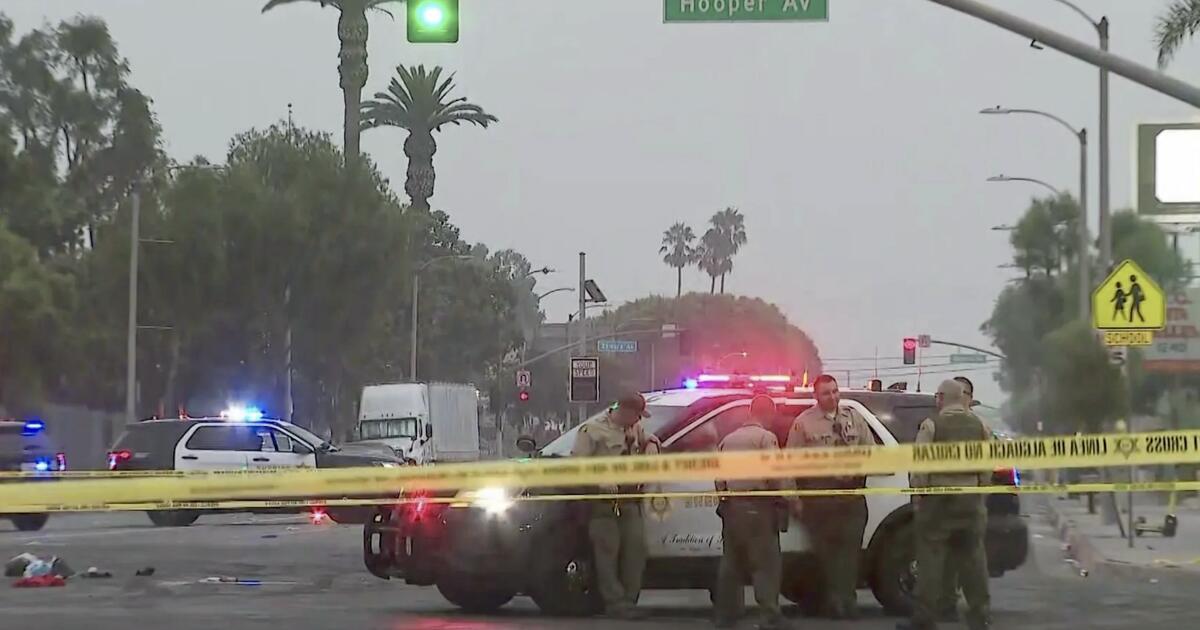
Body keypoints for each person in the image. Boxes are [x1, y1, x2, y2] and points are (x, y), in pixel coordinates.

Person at [899, 379, 992, 630]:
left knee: (930, 561)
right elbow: (987, 467)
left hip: (938, 502)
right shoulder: (980, 425)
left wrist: (918, 496)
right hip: (970, 500)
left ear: (941, 398)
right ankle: (980, 614)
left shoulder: (932, 425)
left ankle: (925, 618)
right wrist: (980, 494)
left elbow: (920, 467)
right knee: (973, 560)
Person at [786, 374, 874, 620]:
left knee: (850, 553)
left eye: (835, 391)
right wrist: (793, 498)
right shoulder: (803, 423)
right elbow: (788, 464)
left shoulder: (854, 418)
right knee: (826, 554)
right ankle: (833, 603)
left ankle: (848, 601)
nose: (833, 397)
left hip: (852, 496)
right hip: (820, 497)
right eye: (826, 393)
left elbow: (871, 452)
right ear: (816, 395)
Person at [571, 392, 661, 620]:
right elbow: (577, 466)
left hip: (630, 499)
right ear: (625, 411)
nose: (639, 420)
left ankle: (630, 601)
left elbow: (647, 438)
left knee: (636, 551)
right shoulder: (592, 430)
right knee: (607, 554)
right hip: (603, 502)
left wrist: (651, 444)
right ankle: (615, 603)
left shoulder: (634, 428)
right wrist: (600, 480)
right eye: (637, 415)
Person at [713, 395, 789, 630]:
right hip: (759, 505)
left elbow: (719, 479)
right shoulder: (766, 438)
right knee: (765, 564)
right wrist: (784, 499)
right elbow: (775, 474)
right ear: (769, 413)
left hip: (732, 507)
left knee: (731, 562)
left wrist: (726, 500)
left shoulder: (728, 440)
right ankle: (770, 616)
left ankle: (726, 615)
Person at [935, 375, 979, 622]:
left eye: (964, 394)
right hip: (949, 501)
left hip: (961, 502)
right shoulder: (937, 423)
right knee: (949, 560)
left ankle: (976, 609)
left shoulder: (977, 426)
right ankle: (950, 605)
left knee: (968, 559)